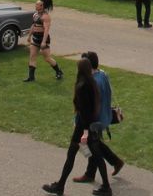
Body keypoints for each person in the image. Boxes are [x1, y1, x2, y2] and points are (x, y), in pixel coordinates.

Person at [43, 58, 111, 196]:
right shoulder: (92, 83)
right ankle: (105, 186)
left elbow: (85, 111)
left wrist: (85, 132)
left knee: (73, 155)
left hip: (84, 126)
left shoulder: (82, 86)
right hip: (91, 124)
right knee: (96, 156)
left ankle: (60, 186)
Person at [71, 51, 125, 184]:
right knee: (95, 144)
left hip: (95, 119)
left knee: (93, 145)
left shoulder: (92, 82)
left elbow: (89, 105)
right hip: (103, 116)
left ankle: (96, 173)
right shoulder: (102, 74)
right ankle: (113, 163)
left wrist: (80, 122)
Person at [24, 0, 63, 82]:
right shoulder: (35, 15)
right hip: (35, 38)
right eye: (36, 4)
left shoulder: (45, 17)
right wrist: (29, 36)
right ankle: (31, 77)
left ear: (42, 6)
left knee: (47, 58)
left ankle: (59, 71)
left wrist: (44, 42)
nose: (36, 6)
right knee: (32, 57)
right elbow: (33, 26)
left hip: (43, 39)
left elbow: (46, 30)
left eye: (37, 5)